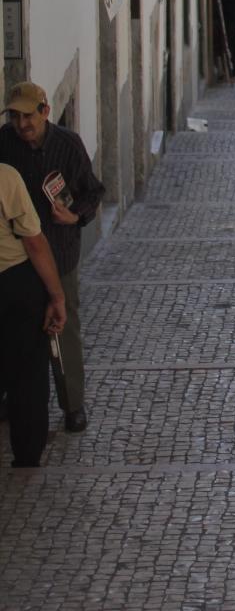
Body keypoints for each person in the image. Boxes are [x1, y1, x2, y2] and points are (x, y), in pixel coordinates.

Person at [0, 84, 103, 435]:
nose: (21, 123)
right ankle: (15, 398)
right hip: (18, 256)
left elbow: (94, 190)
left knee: (64, 326)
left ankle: (72, 404)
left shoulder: (67, 143)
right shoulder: (4, 143)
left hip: (58, 251)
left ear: (44, 111)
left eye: (27, 115)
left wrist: (76, 217)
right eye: (15, 116)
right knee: (18, 329)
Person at [0, 162, 66, 467]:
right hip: (13, 281)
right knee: (27, 373)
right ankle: (27, 454)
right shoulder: (6, 177)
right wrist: (56, 295)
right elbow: (34, 243)